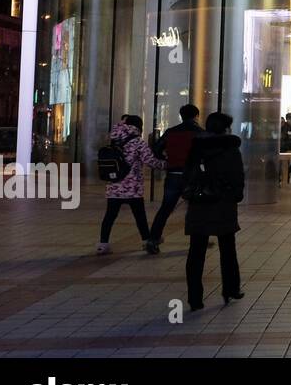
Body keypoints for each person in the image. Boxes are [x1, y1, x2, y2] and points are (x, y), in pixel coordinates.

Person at [183, 112, 245, 311]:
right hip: (223, 203)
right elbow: (237, 176)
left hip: (199, 202)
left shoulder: (197, 146)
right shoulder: (231, 148)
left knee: (196, 251)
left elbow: (188, 173)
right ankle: (231, 289)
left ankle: (195, 298)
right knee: (227, 248)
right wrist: (236, 195)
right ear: (225, 128)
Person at [97, 115, 166, 255]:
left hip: (114, 185)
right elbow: (151, 161)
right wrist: (167, 165)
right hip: (132, 187)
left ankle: (102, 244)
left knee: (109, 216)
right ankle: (147, 242)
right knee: (140, 216)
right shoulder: (137, 142)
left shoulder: (114, 139)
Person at [147, 103, 202, 252]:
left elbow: (156, 149)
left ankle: (153, 240)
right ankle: (198, 241)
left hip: (173, 175)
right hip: (193, 176)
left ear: (181, 116)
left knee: (165, 208)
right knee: (196, 208)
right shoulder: (200, 133)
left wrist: (167, 160)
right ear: (197, 116)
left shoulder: (171, 132)